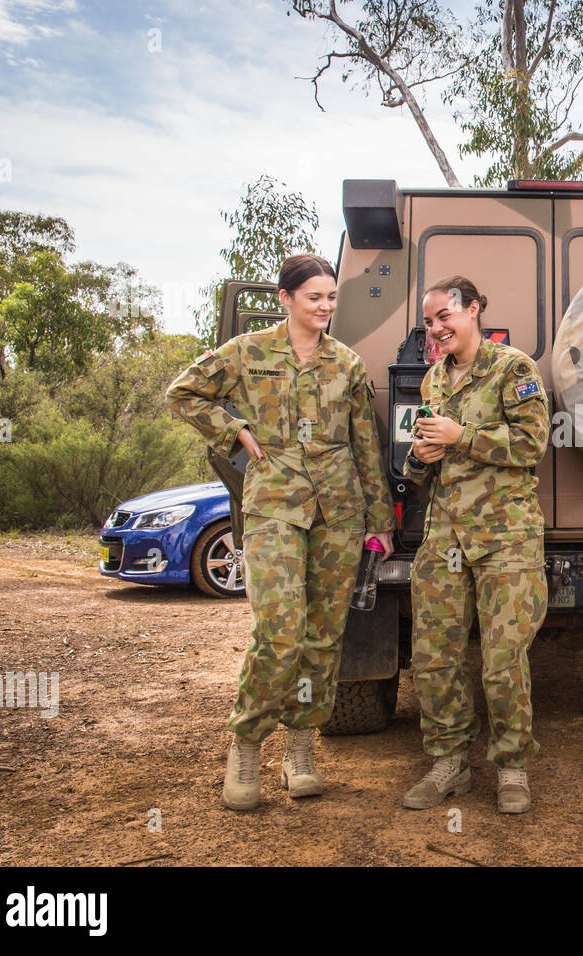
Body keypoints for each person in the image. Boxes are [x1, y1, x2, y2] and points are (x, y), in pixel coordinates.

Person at [166, 253, 395, 811]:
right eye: (314, 297)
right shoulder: (247, 353)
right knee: (280, 630)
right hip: (274, 507)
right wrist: (236, 430)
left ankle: (300, 750)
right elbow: (184, 392)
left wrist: (381, 520)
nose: (325, 307)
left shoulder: (347, 364)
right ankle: (246, 746)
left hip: (338, 513)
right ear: (285, 298)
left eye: (331, 298)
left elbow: (366, 444)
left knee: (322, 637)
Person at [401, 275, 550, 814]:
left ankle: (511, 766)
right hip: (444, 534)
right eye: (429, 321)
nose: (436, 328)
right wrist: (419, 458)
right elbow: (422, 454)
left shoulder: (514, 369)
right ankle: (449, 763)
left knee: (503, 658)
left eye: (445, 316)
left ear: (474, 310)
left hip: (504, 534)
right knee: (434, 655)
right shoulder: (432, 380)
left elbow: (534, 444)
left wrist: (461, 437)